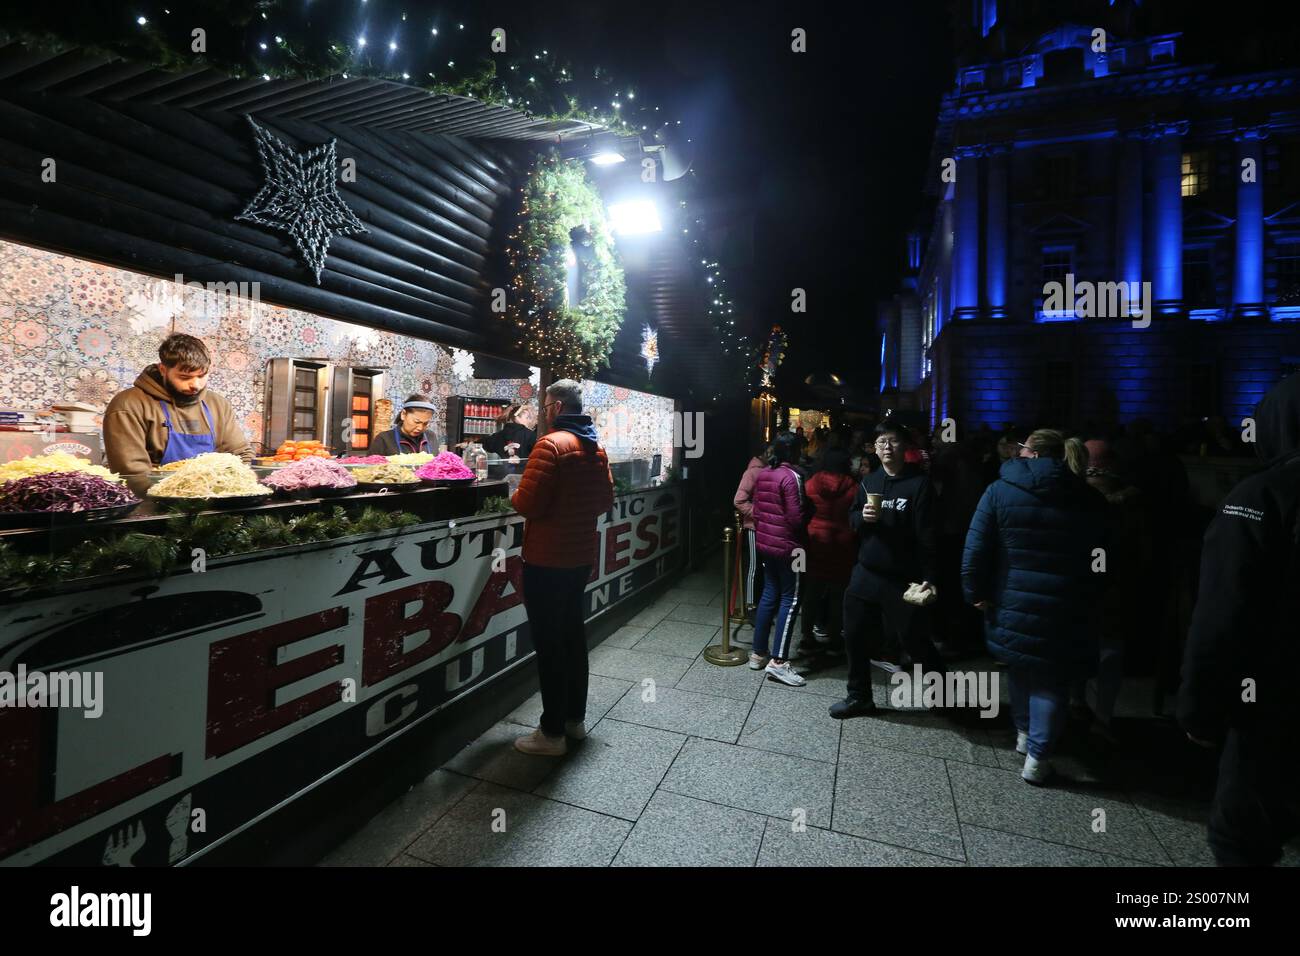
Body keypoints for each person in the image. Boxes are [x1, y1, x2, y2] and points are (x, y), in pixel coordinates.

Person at [1178, 373, 1300, 866]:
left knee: (1241, 842)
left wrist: (1200, 709)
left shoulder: (1260, 496)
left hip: (1273, 709)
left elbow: (1223, 615)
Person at [962, 428, 1106, 784]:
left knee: (1021, 667)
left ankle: (1025, 736)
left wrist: (974, 590)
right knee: (1051, 680)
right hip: (1066, 604)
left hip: (1010, 598)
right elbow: (1103, 558)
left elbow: (976, 549)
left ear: (1033, 453)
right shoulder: (1088, 498)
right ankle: (1038, 759)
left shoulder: (1000, 490)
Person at [510, 379, 614, 756]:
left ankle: (551, 733)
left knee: (549, 643)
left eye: (544, 406)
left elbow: (529, 504)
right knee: (572, 637)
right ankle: (575, 720)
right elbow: (604, 500)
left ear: (555, 407)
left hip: (546, 558)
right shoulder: (595, 446)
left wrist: (513, 492)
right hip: (579, 557)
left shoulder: (550, 444)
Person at [831, 422, 944, 720]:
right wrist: (862, 518)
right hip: (866, 571)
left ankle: (944, 697)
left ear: (904, 447)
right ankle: (858, 697)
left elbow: (929, 536)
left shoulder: (918, 484)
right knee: (854, 634)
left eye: (892, 442)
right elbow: (852, 517)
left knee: (916, 640)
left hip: (902, 578)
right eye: (881, 442)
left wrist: (930, 578)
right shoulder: (870, 481)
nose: (886, 447)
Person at [104, 333, 251, 493]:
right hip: (154, 504)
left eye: (202, 376)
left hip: (212, 500)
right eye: (184, 377)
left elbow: (241, 454)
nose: (195, 385)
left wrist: (238, 485)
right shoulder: (128, 405)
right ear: (163, 370)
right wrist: (186, 494)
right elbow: (133, 474)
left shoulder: (218, 405)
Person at [748, 432, 814, 686]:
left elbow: (758, 509)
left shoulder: (764, 473)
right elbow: (797, 519)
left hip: (765, 543)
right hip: (791, 548)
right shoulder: (792, 476)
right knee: (792, 597)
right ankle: (779, 661)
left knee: (769, 593)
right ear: (794, 452)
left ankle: (758, 652)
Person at [800, 447, 857, 657]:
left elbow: (802, 506)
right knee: (837, 594)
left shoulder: (812, 483)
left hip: (816, 540)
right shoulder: (853, 486)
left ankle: (806, 637)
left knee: (811, 592)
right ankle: (834, 639)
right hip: (842, 543)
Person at [733, 439, 769, 615]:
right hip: (754, 526)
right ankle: (750, 604)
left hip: (766, 525)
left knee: (763, 565)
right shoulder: (753, 472)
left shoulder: (768, 470)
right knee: (754, 566)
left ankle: (759, 601)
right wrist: (759, 514)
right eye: (769, 452)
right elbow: (738, 500)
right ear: (763, 454)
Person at [369, 394, 441, 456]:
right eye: (416, 422)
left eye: (425, 423)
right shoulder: (384, 439)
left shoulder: (431, 436)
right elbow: (371, 469)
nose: (420, 428)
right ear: (403, 414)